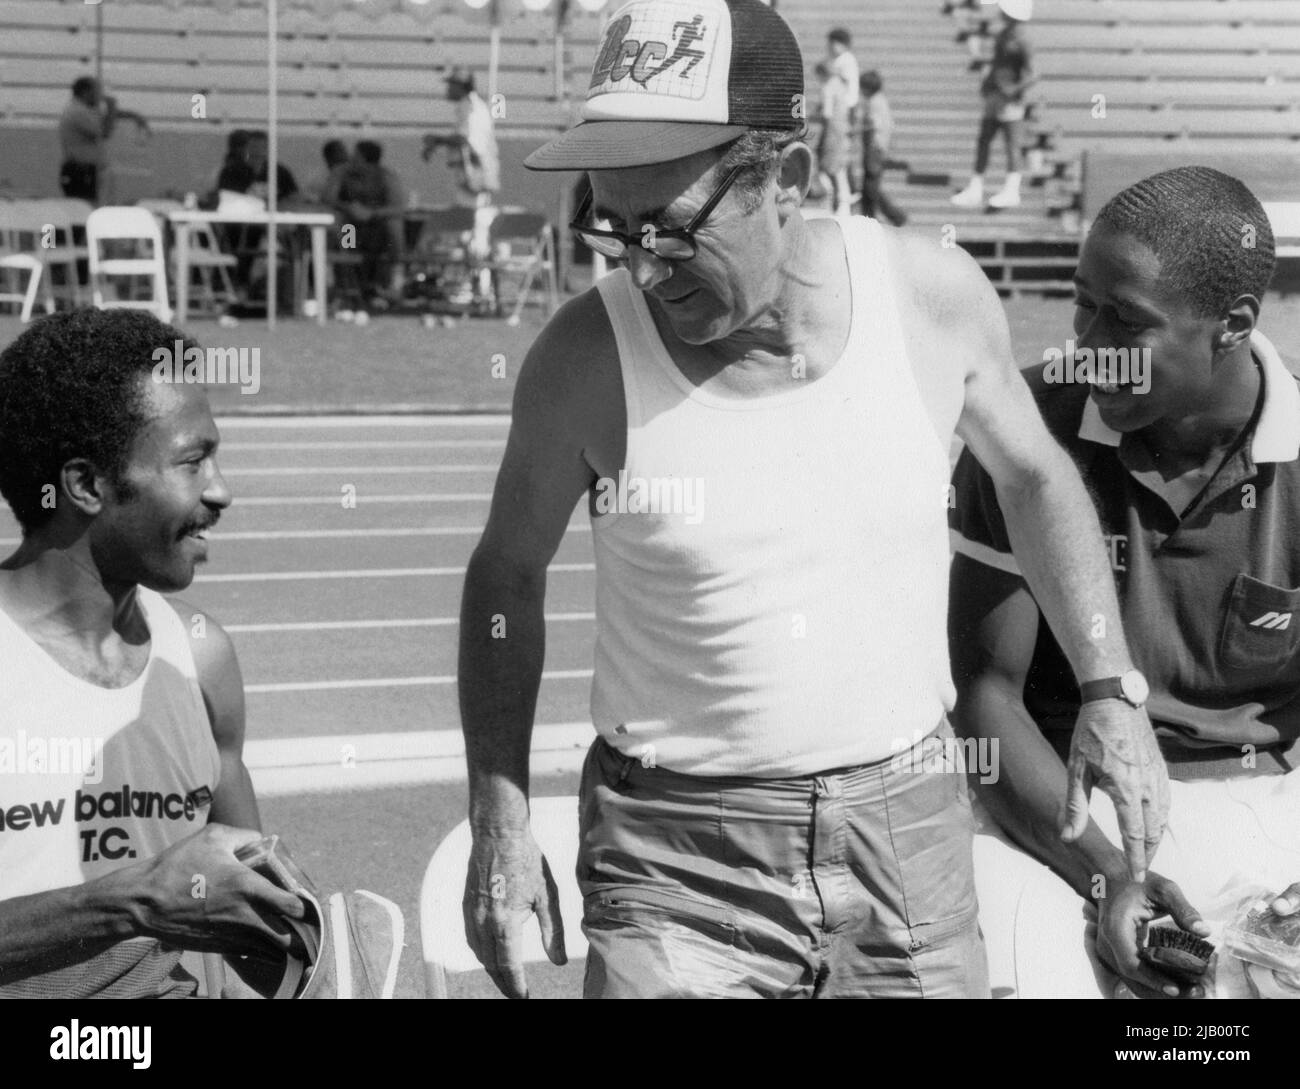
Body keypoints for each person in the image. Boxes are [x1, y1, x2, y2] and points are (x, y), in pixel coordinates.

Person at [457, 0, 1167, 1000]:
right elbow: (505, 572)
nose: (641, 268)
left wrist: (1107, 687)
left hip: (907, 836)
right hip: (675, 857)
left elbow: (1036, 473)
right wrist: (498, 808)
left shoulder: (929, 299)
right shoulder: (581, 360)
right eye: (611, 230)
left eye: (665, 229)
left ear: (786, 179)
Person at [950, 166, 1300, 999]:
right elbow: (984, 696)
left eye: (1126, 320)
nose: (1088, 341)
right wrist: (1107, 876)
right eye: (1083, 302)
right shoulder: (1028, 429)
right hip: (1065, 811)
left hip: (1266, 796)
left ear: (1232, 326)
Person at [0, 310, 306, 998]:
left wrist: (302, 939)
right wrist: (130, 900)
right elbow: (147, 900)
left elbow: (258, 925)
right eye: (192, 461)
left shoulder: (201, 658)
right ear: (86, 485)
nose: (222, 490)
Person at [951, 0, 1035, 210]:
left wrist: (1013, 90)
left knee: (1011, 145)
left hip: (1009, 101)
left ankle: (1011, 190)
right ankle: (976, 187)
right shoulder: (1005, 34)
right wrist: (988, 84)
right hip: (995, 95)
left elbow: (1033, 74)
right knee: (984, 141)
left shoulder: (1023, 40)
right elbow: (998, 64)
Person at [323, 140, 408, 306]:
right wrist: (348, 206)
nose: (351, 160)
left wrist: (372, 213)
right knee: (340, 229)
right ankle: (342, 284)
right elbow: (328, 199)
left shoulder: (386, 176)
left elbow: (398, 208)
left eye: (356, 157)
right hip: (351, 230)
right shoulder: (344, 174)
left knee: (394, 224)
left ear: (366, 160)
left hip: (379, 233)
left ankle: (395, 281)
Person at [58, 77, 148, 205]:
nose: (101, 96)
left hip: (87, 170)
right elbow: (104, 131)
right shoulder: (77, 112)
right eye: (98, 92)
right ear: (86, 92)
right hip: (81, 170)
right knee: (84, 207)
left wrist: (134, 116)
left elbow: (105, 117)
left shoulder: (84, 110)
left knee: (92, 205)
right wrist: (111, 106)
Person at [423, 67, 500, 208]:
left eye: (451, 85)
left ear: (461, 86)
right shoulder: (474, 105)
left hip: (474, 172)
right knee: (473, 215)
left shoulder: (469, 107)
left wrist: (437, 140)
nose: (448, 89)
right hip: (475, 170)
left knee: (470, 217)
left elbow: (464, 139)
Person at [857, 70, 907, 227]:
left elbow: (874, 125)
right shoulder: (880, 100)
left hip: (874, 149)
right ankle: (870, 216)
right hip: (878, 148)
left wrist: (856, 128)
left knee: (871, 187)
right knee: (869, 186)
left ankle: (893, 215)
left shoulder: (874, 102)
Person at [812, 61, 851, 216]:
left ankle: (829, 198)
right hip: (843, 129)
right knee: (839, 168)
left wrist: (812, 115)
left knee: (826, 167)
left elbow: (827, 114)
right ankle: (844, 202)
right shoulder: (841, 86)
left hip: (832, 131)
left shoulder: (828, 87)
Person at [305, 139, 351, 204]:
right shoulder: (318, 180)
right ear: (330, 157)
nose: (346, 155)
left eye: (345, 151)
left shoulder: (352, 175)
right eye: (341, 151)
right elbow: (310, 197)